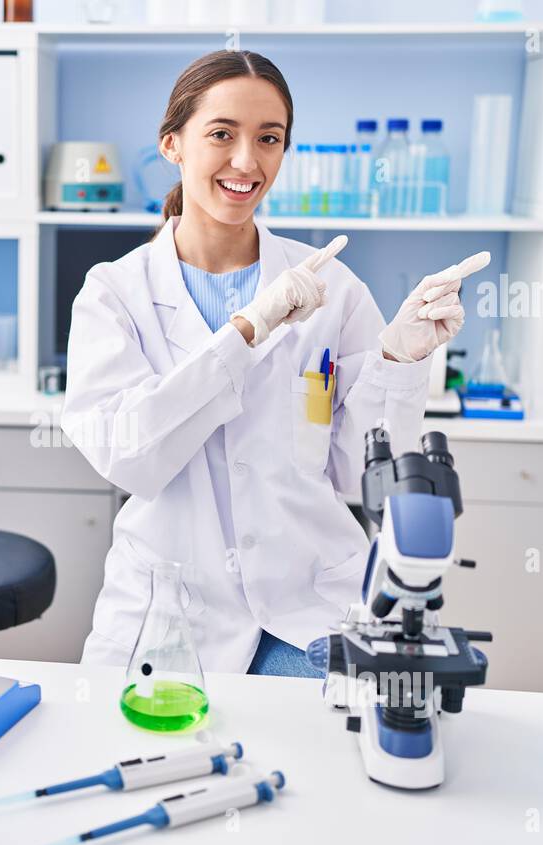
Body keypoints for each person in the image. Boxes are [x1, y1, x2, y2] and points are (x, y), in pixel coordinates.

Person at [61, 49, 489, 676]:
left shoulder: (332, 288)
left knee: (341, 759)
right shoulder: (114, 294)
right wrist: (246, 330)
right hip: (173, 611)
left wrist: (401, 357)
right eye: (221, 135)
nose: (246, 161)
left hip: (308, 603)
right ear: (172, 144)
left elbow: (357, 474)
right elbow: (131, 455)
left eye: (269, 138)